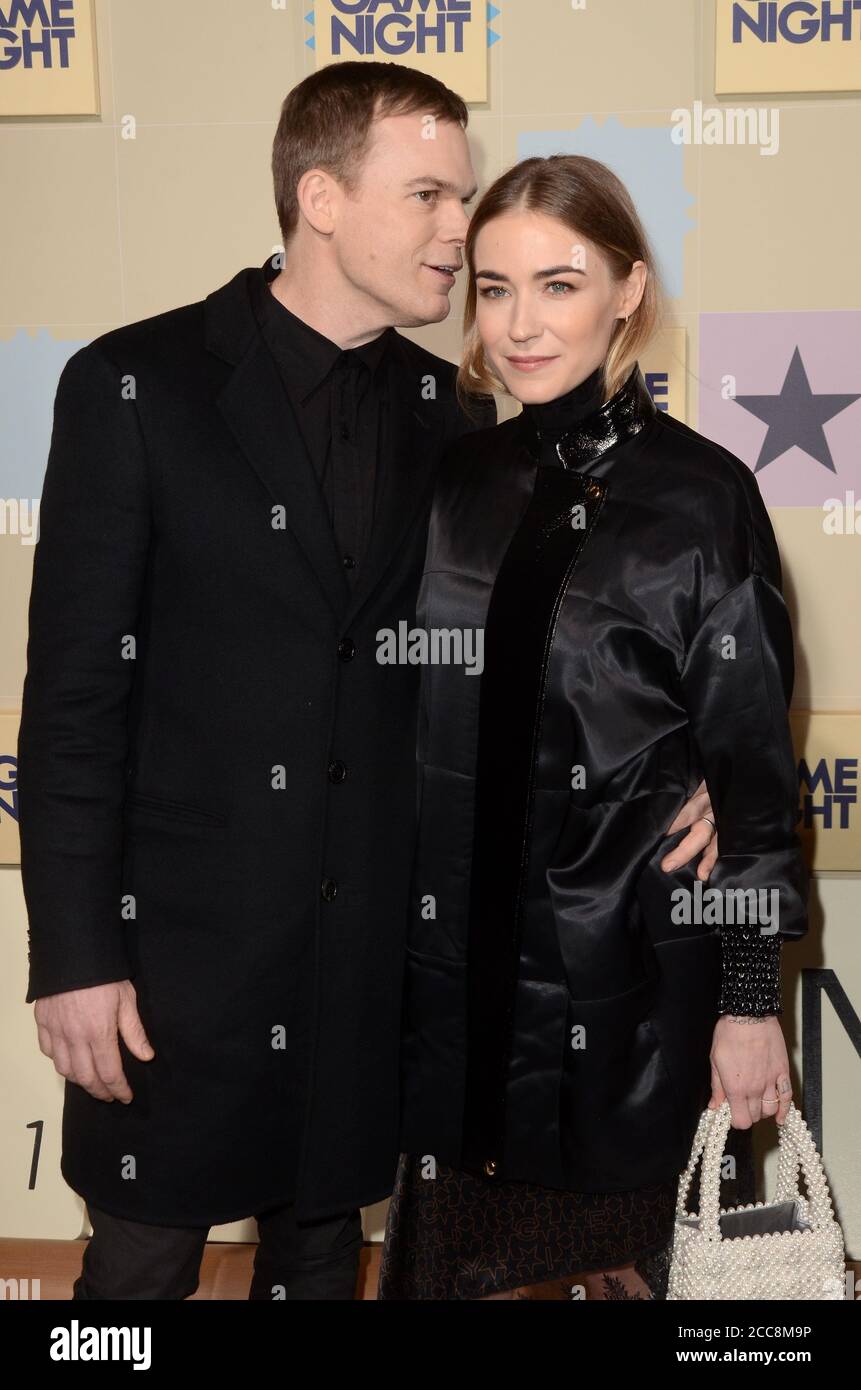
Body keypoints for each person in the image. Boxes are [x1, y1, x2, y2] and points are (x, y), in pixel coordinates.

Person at [17, 63, 713, 1300]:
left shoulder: (457, 417)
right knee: (130, 1279)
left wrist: (689, 766)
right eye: (434, 194)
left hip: (370, 961)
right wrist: (72, 955)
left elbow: (580, 632)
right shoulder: (136, 385)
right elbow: (73, 701)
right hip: (173, 967)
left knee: (323, 1260)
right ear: (322, 197)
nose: (464, 226)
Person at [378, 154, 808, 1302]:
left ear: (629, 291)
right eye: (497, 287)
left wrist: (751, 1005)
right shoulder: (454, 476)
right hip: (459, 1013)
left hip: (630, 1008)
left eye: (560, 285)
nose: (521, 325)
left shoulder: (704, 498)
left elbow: (755, 784)